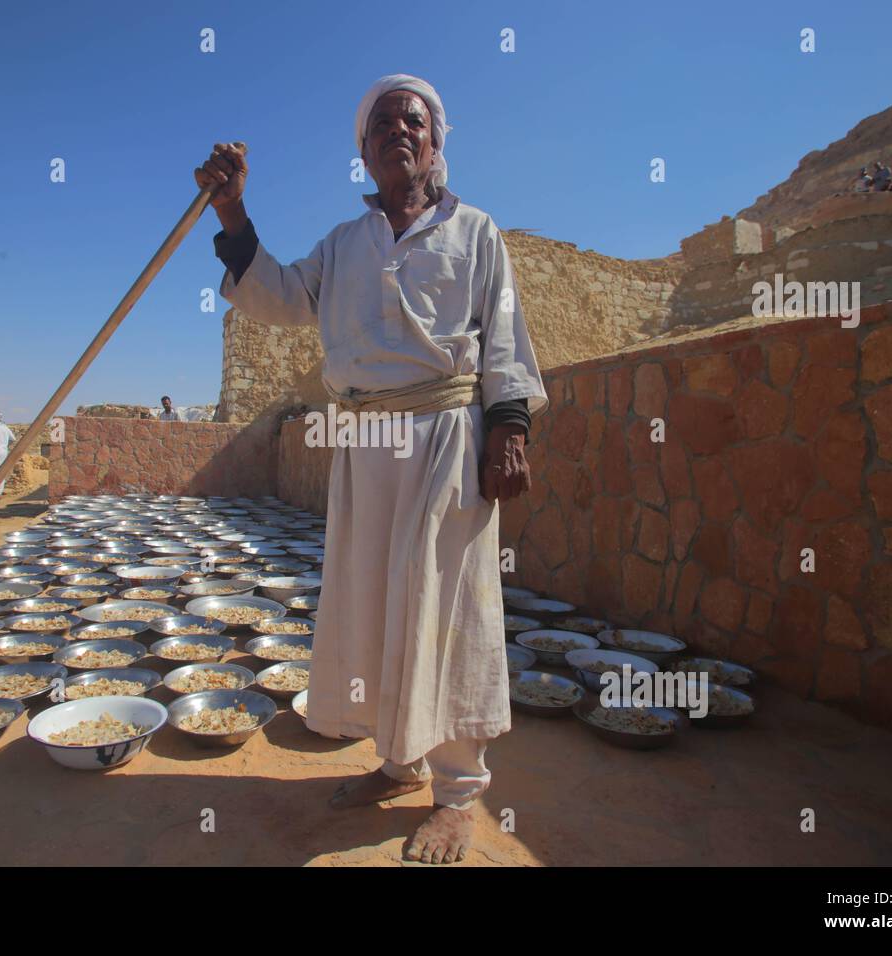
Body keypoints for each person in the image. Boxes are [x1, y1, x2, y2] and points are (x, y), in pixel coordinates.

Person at [197, 74, 546, 865]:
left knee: (450, 612)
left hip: (449, 444)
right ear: (363, 151)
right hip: (367, 448)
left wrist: (510, 428)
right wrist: (232, 213)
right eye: (383, 123)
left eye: (413, 121)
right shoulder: (344, 246)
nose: (399, 131)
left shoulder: (476, 231)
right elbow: (280, 298)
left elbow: (503, 339)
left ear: (436, 141)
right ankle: (398, 761)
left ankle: (459, 795)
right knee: (381, 606)